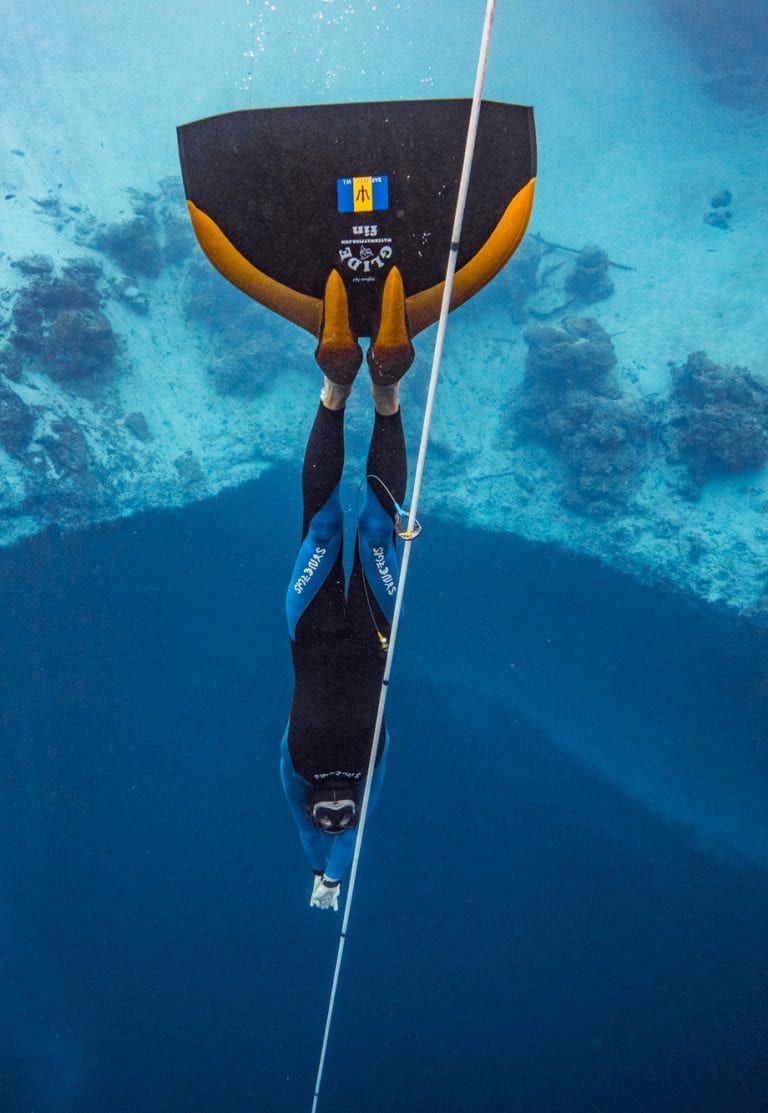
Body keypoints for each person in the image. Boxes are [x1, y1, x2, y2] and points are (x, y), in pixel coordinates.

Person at [280, 266, 414, 912]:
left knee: (348, 527)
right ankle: (359, 387)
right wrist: (327, 875)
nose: (335, 810)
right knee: (352, 526)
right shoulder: (335, 777)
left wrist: (326, 872)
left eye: (327, 814)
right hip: (340, 626)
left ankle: (359, 389)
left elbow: (328, 837)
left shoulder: (325, 778)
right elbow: (334, 836)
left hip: (340, 627)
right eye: (343, 814)